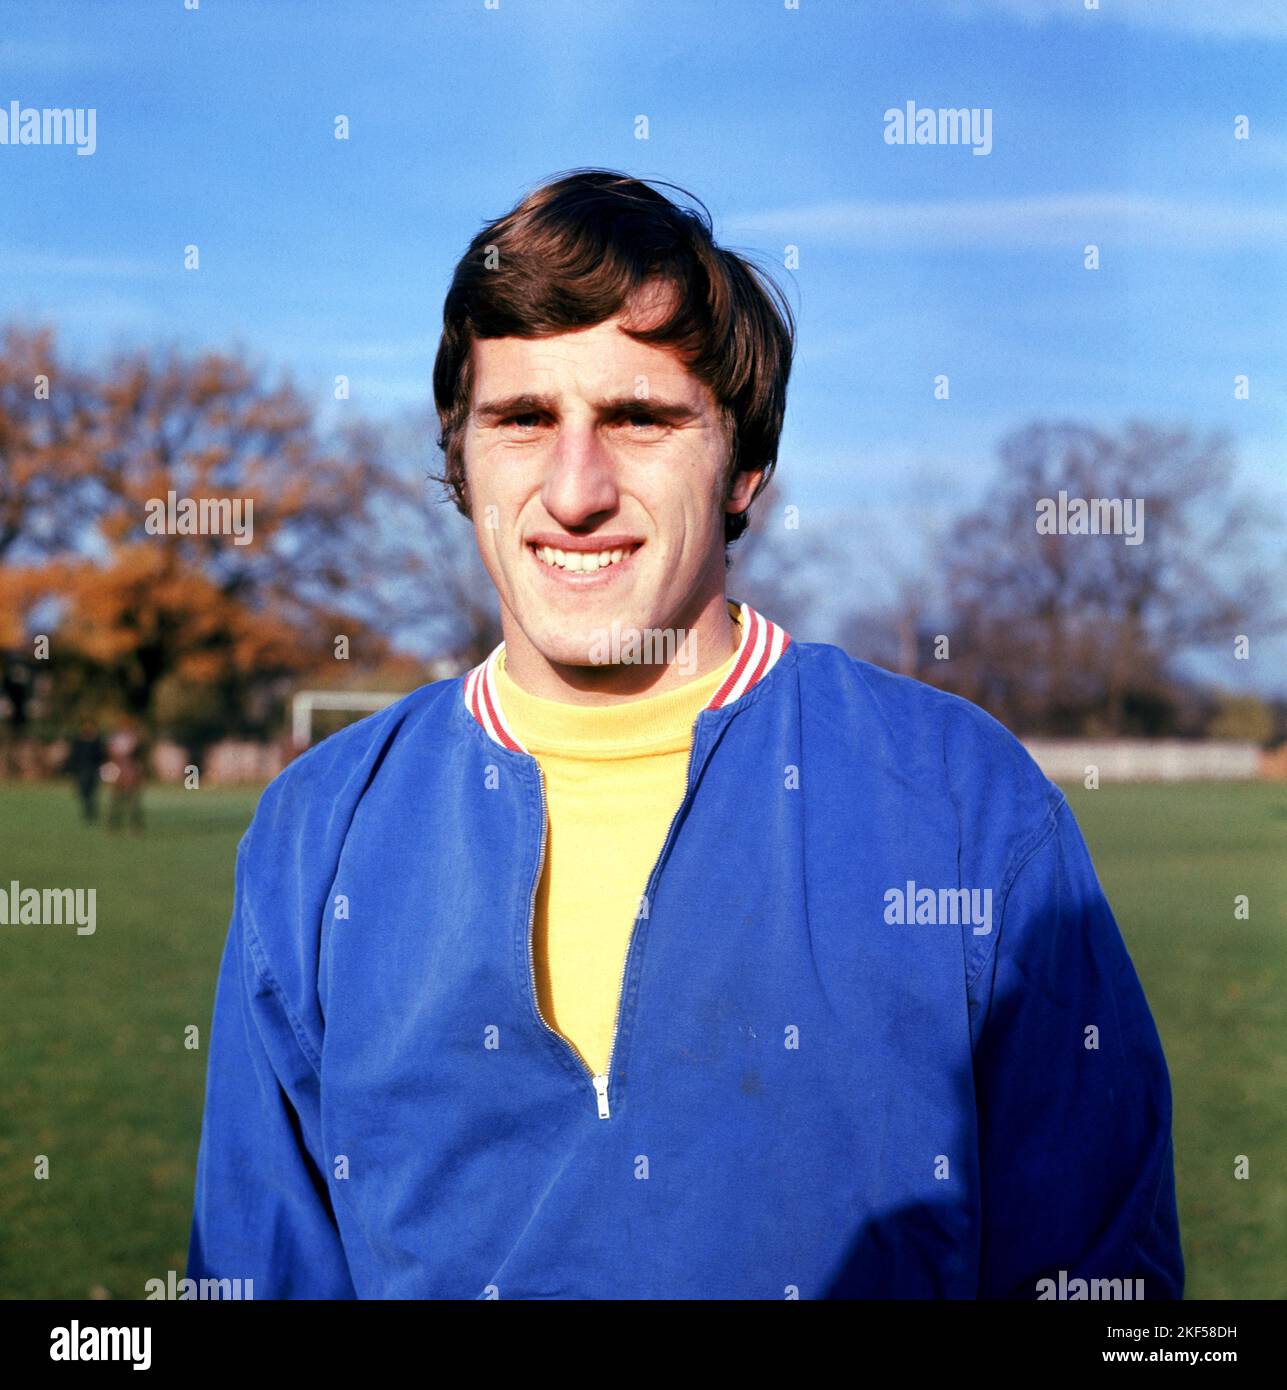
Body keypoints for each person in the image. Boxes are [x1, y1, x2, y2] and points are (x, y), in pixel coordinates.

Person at [187, 169, 1184, 1300]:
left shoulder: (964, 807)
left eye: (639, 419)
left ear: (743, 467)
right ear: (462, 461)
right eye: (523, 419)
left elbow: (1103, 1276)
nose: (575, 490)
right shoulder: (321, 832)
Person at [105, 723, 145, 831]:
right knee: (117, 798)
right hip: (118, 765)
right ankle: (114, 823)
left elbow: (135, 751)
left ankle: (135, 824)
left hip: (128, 765)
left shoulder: (133, 737)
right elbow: (111, 750)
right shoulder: (116, 737)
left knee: (133, 799)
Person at [64, 720, 105, 823]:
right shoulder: (78, 742)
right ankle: (88, 811)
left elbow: (101, 756)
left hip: (93, 770)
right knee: (83, 793)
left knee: (91, 792)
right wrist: (71, 770)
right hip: (81, 770)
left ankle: (90, 812)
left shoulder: (97, 742)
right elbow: (74, 757)